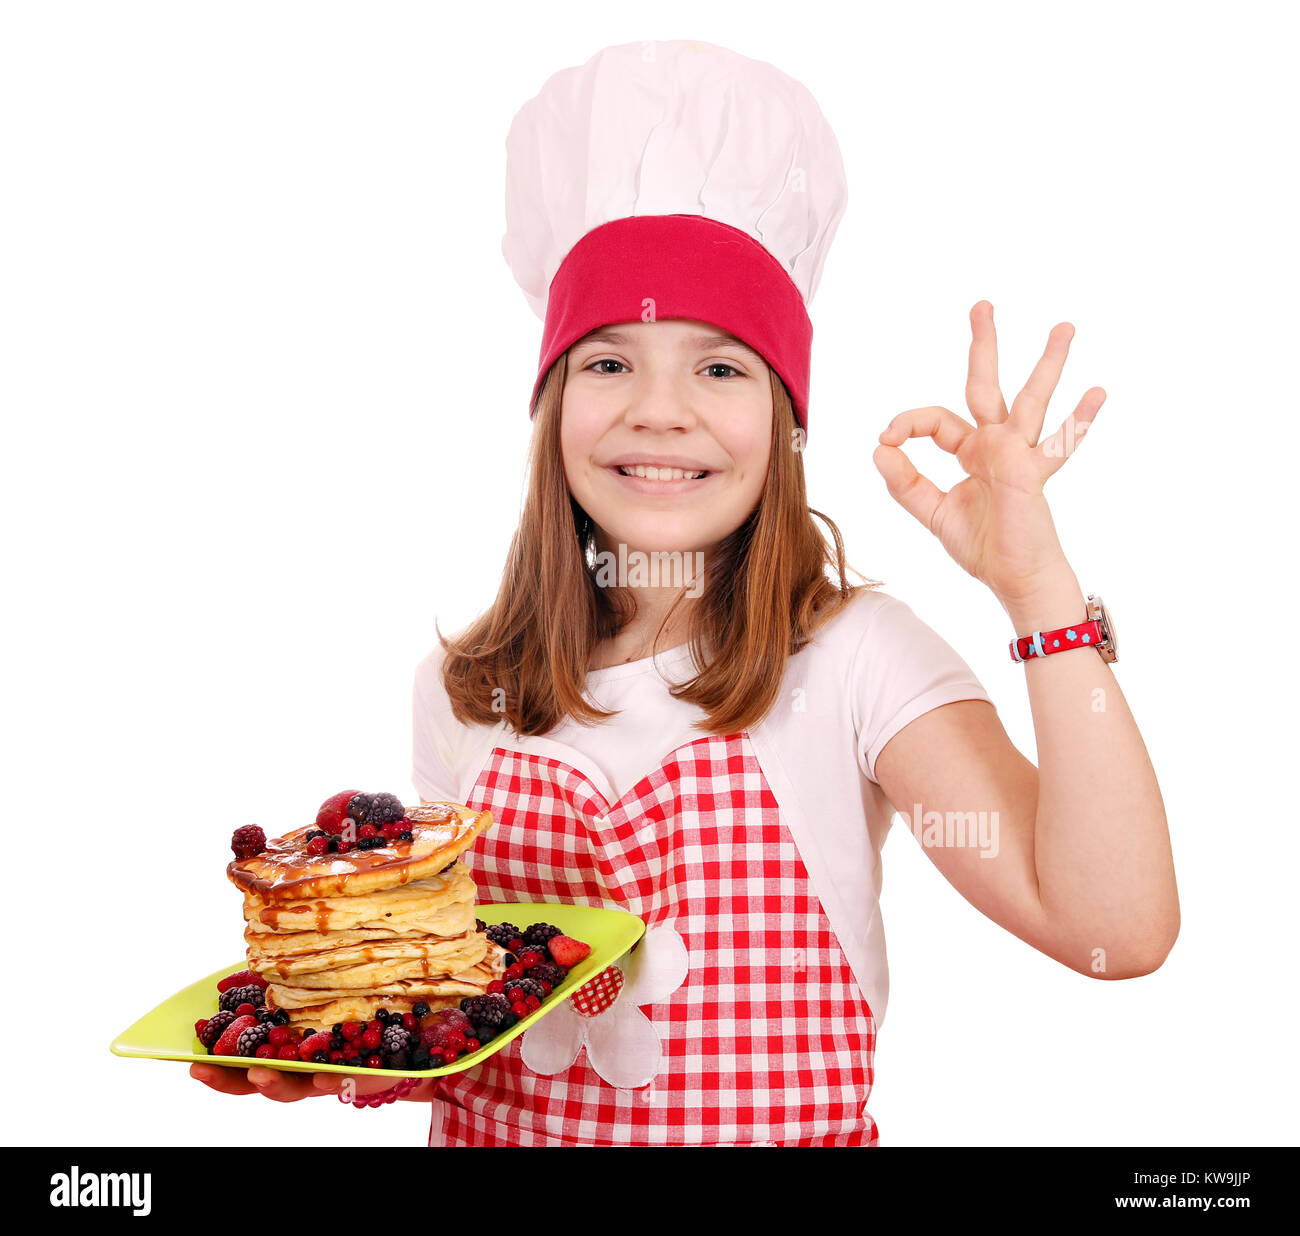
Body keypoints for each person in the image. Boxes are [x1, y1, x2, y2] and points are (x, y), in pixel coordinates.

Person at [192, 39, 1178, 1146]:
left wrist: (1035, 584)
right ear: (552, 409)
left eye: (719, 367)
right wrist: (339, 1047)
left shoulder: (854, 659)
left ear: (783, 420)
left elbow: (1116, 928)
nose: (659, 411)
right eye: (609, 362)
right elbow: (464, 1012)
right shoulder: (463, 690)